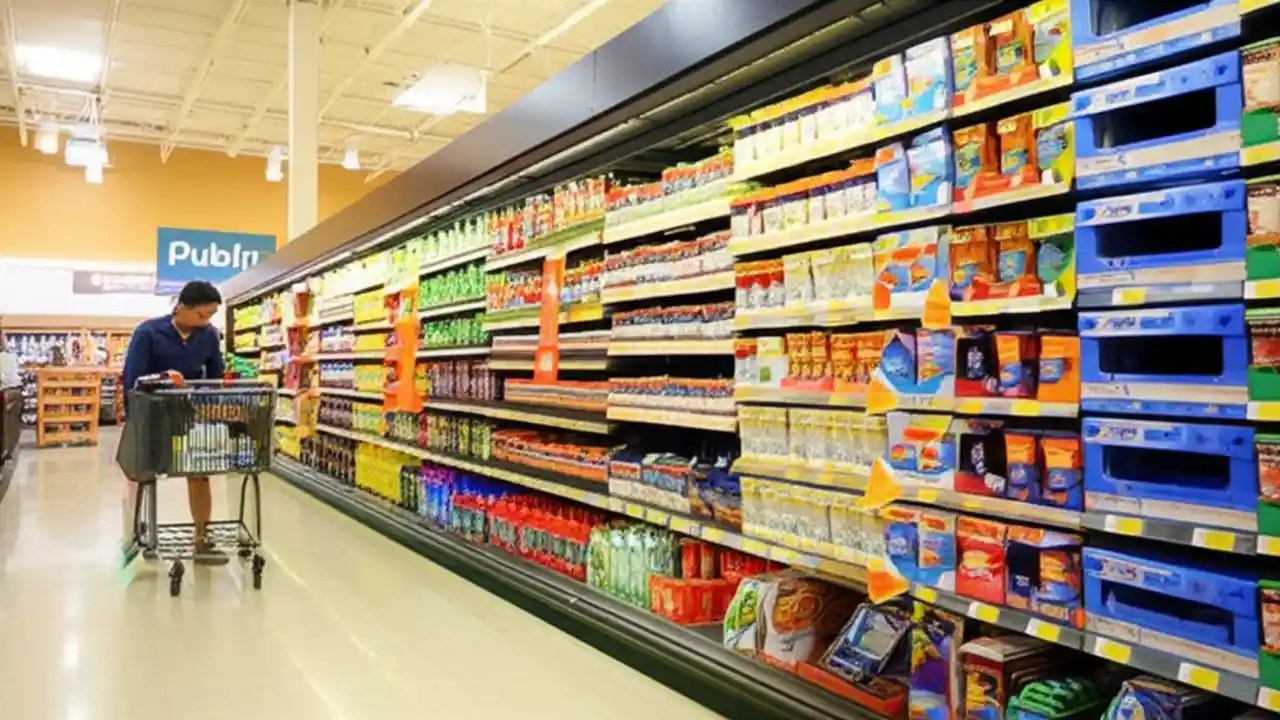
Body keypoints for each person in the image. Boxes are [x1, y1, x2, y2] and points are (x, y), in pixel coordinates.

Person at [121, 280, 228, 564]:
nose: (206, 321)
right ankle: (135, 533)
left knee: (199, 472)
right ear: (182, 306)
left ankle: (202, 539)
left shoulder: (209, 336)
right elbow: (132, 378)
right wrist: (135, 419)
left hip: (189, 414)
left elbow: (215, 376)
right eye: (202, 315)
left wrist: (211, 405)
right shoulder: (148, 332)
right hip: (151, 415)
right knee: (143, 475)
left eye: (211, 316)